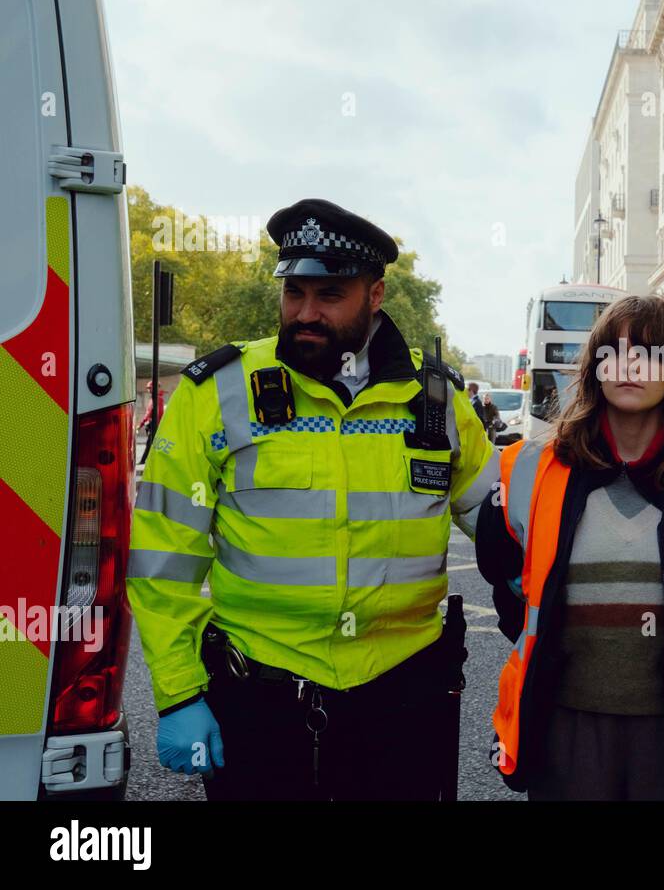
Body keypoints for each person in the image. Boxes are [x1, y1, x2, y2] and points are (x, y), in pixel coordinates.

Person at [128, 198, 500, 800]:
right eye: (294, 292)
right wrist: (178, 694)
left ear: (374, 296)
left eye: (329, 295)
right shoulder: (218, 393)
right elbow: (162, 559)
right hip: (260, 703)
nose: (305, 313)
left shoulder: (437, 401)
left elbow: (498, 521)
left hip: (402, 702)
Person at [474, 295, 664, 800]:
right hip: (565, 727)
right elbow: (508, 578)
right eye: (615, 353)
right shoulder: (527, 468)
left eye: (651, 354)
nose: (631, 367)